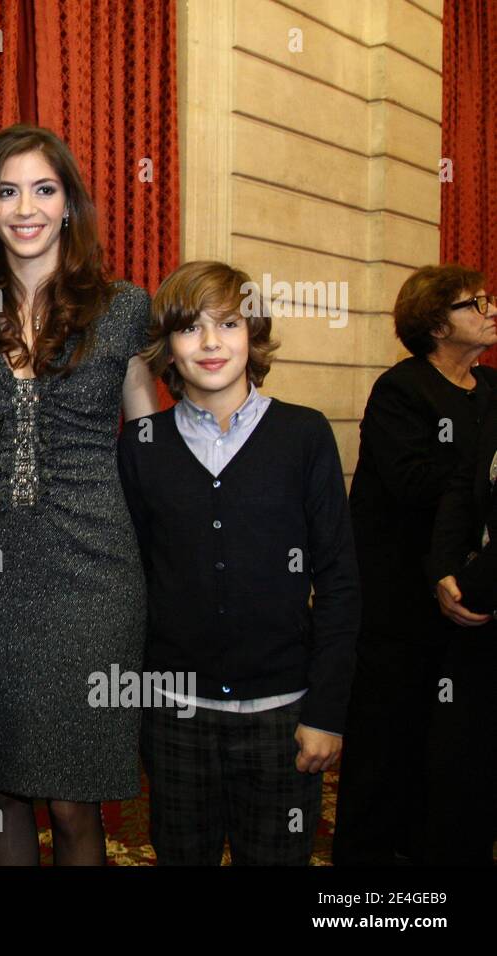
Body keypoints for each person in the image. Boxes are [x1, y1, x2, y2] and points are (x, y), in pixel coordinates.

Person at [0, 124, 158, 865]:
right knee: (0, 794)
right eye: (7, 191)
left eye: (44, 188)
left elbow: (151, 440)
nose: (26, 207)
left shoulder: (125, 308)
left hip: (96, 575)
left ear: (69, 205)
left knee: (74, 800)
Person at [118, 260, 358, 865]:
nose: (210, 343)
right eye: (189, 328)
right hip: (176, 715)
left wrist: (327, 711)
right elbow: (134, 580)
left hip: (284, 715)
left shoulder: (304, 436)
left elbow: (338, 582)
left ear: (252, 334)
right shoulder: (143, 447)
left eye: (227, 323)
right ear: (166, 348)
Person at [334, 265, 497, 866]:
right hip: (400, 603)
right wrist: (480, 482)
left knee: (455, 751)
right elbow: (409, 484)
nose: (489, 308)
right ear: (435, 322)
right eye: (473, 303)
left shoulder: (493, 390)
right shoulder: (402, 389)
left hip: (472, 595)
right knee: (388, 744)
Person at [423, 283, 497, 865]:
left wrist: (476, 585)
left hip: (484, 593)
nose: (491, 310)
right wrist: (445, 571)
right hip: (471, 616)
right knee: (461, 778)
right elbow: (462, 488)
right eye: (476, 303)